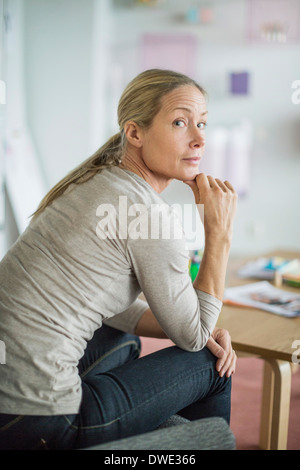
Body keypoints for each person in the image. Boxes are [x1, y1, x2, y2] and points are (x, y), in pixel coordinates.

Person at [0, 69, 237, 450]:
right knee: (211, 365)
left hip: (6, 392)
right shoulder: (149, 215)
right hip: (39, 421)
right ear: (135, 133)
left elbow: (102, 303)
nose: (199, 139)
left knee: (124, 341)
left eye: (202, 124)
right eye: (180, 122)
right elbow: (192, 338)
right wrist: (220, 233)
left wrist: (200, 329)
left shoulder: (91, 181)